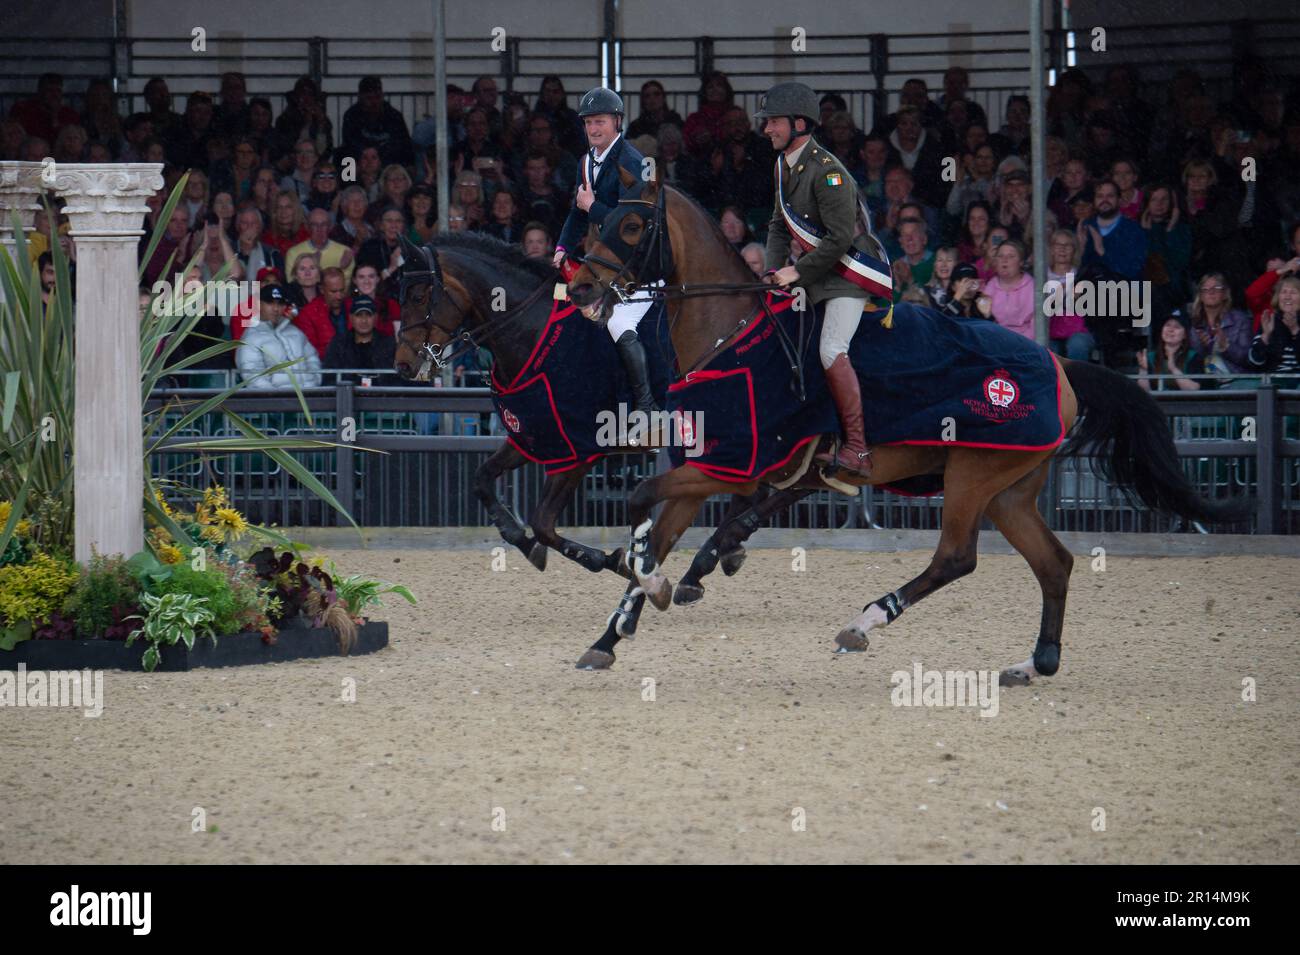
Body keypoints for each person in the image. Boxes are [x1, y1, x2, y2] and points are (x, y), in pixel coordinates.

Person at [758, 81, 892, 478]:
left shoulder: (828, 172)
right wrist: (771, 268)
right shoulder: (783, 164)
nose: (767, 129)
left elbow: (839, 240)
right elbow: (778, 226)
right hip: (817, 276)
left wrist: (796, 271)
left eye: (774, 123)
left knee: (831, 349)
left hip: (848, 275)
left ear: (799, 123)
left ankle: (858, 450)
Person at [551, 87, 659, 416]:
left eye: (600, 122)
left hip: (639, 265)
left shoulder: (635, 163)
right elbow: (576, 211)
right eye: (588, 123)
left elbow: (632, 225)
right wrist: (561, 246)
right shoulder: (587, 162)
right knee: (559, 299)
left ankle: (647, 407)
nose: (593, 129)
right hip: (605, 263)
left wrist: (593, 206)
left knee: (617, 324)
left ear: (616, 122)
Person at [237, 283, 322, 388]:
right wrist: (276, 397)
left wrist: (313, 383)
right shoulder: (251, 337)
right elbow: (253, 376)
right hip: (275, 401)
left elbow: (312, 359)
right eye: (270, 303)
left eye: (280, 304)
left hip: (309, 396)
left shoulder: (296, 332)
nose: (275, 309)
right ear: (259, 305)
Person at [322, 294, 396, 379]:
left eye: (368, 315)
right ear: (351, 318)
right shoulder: (338, 345)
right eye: (359, 315)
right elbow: (329, 379)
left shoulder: (389, 345)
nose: (364, 320)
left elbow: (396, 381)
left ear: (376, 317)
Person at [1247, 275, 1300, 385]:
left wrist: (1295, 330)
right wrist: (1265, 336)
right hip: (1272, 382)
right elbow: (1254, 363)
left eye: (1293, 292)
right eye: (1284, 292)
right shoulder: (1270, 321)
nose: (1287, 297)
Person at [1137, 314, 1206, 392]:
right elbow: (1144, 392)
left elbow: (1194, 389)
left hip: (1185, 403)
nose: (1171, 330)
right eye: (1167, 325)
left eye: (1177, 327)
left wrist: (1173, 368)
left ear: (1185, 335)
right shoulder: (1151, 357)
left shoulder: (1193, 357)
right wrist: (1143, 370)